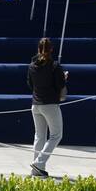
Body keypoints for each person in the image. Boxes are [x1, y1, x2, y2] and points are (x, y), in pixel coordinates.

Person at [26, 37, 68, 178]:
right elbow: (60, 85)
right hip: (49, 104)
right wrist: (64, 77)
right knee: (56, 135)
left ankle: (36, 169)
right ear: (51, 50)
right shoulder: (55, 66)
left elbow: (30, 85)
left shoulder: (32, 66)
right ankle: (39, 163)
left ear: (38, 49)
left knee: (39, 136)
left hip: (35, 104)